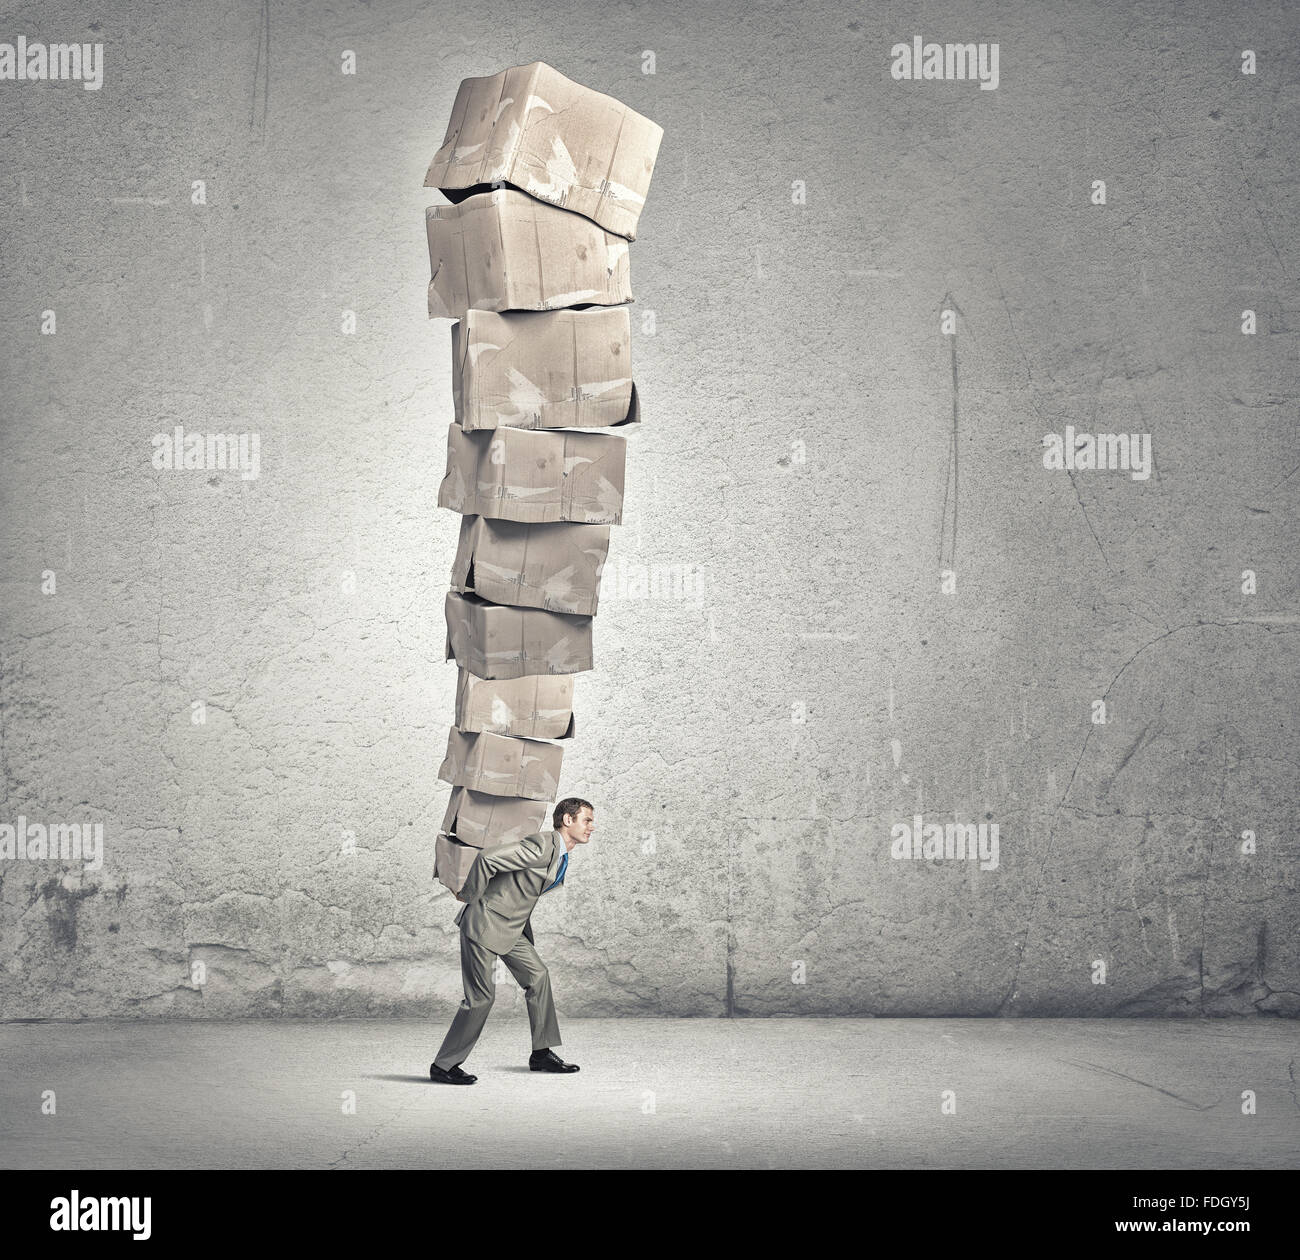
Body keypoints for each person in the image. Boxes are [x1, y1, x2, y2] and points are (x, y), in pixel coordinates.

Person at [430, 797, 595, 1084]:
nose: (592, 827)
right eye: (587, 820)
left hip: (510, 927)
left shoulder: (561, 854)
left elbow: (522, 891)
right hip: (484, 923)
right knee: (481, 998)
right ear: (568, 820)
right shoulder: (542, 846)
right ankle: (444, 1066)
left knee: (538, 977)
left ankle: (541, 1054)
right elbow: (487, 859)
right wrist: (469, 895)